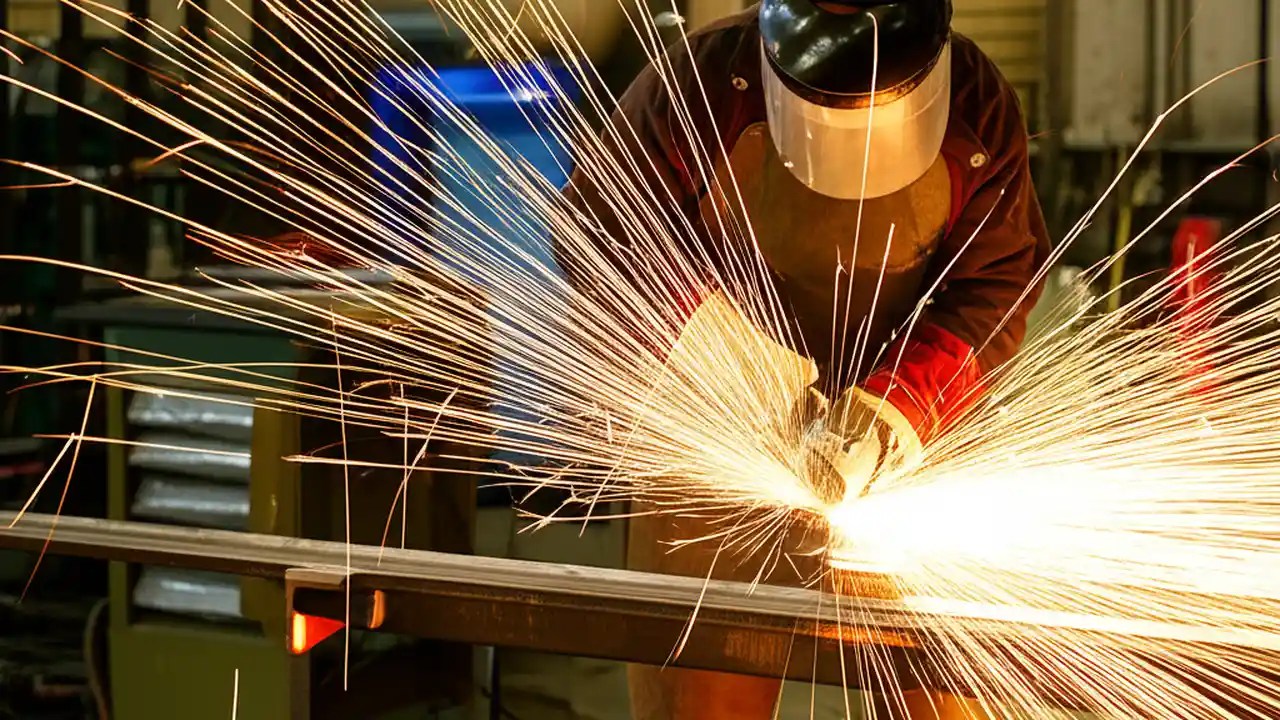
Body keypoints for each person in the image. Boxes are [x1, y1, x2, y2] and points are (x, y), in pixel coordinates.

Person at [561, 0, 1051, 717]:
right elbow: (602, 236)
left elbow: (993, 287)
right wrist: (727, 359)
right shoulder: (701, 86)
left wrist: (896, 406)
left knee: (940, 696)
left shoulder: (976, 103)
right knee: (705, 696)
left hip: (900, 461)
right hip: (719, 447)